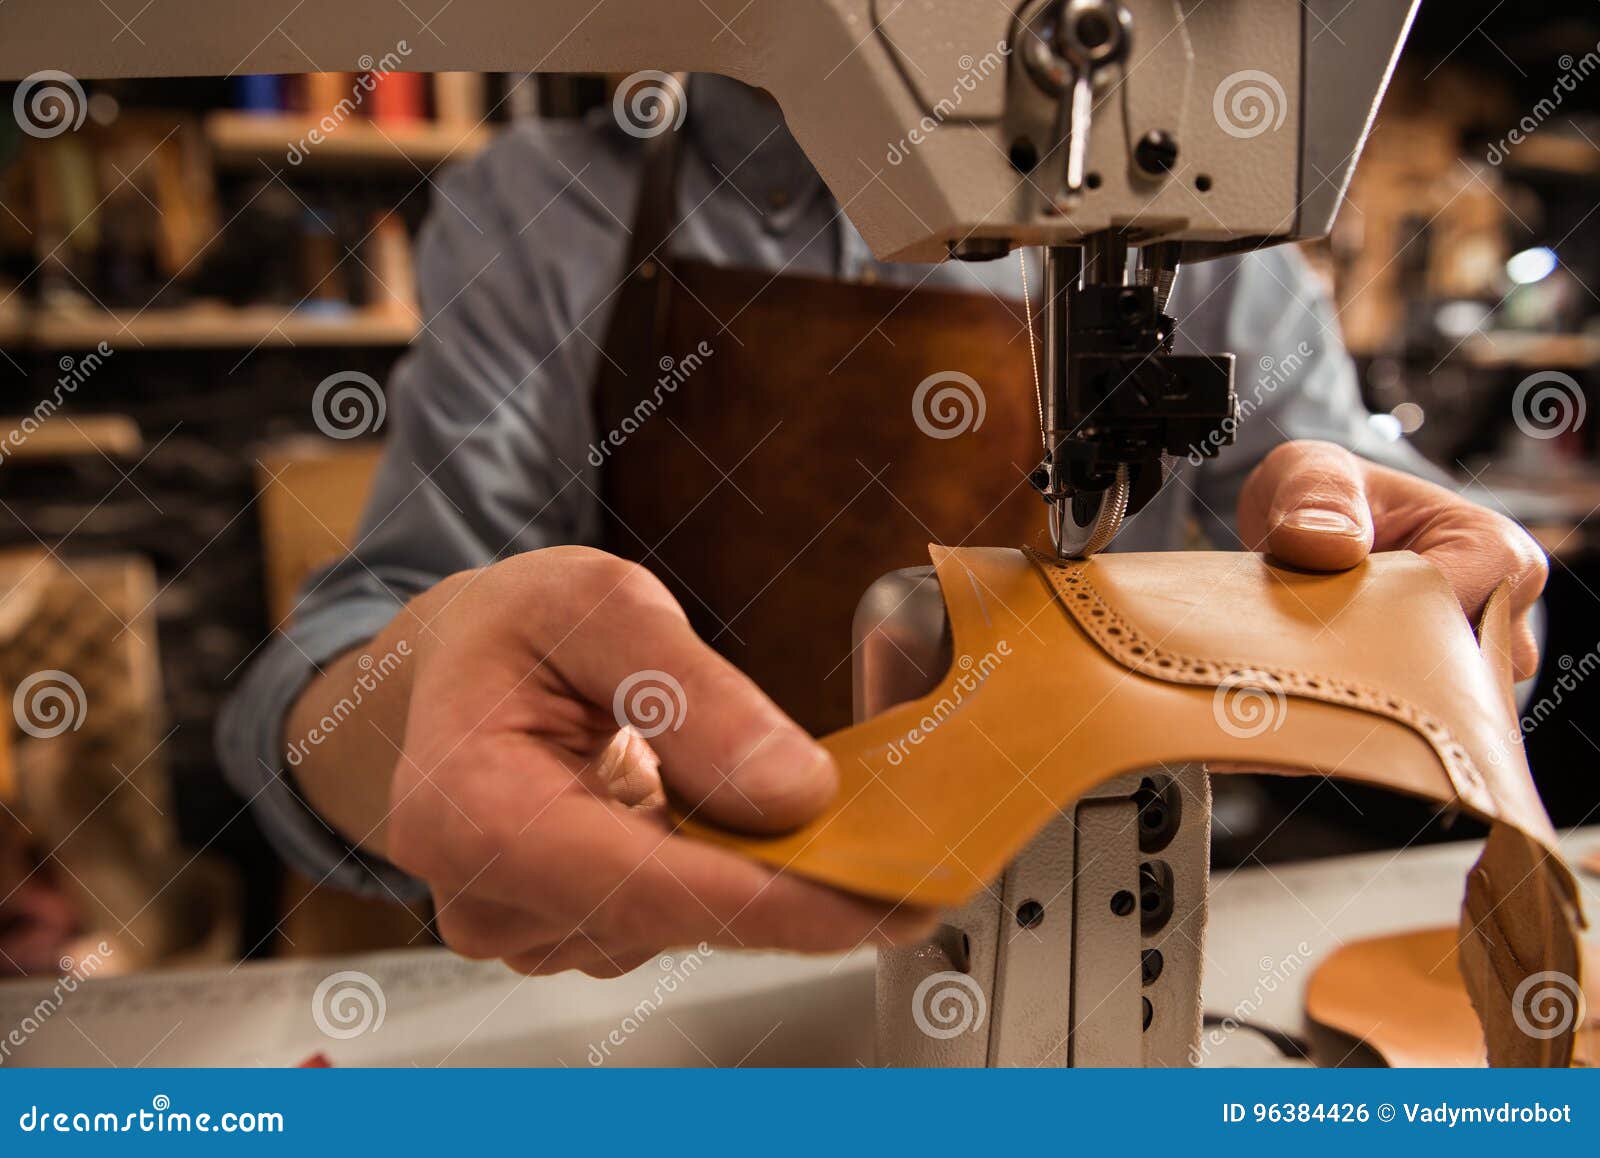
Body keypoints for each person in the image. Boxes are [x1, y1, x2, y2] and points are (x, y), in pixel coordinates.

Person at [218, 76, 1547, 978]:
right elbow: (344, 655)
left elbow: (1339, 495)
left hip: (1107, 930)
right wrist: (401, 729)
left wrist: (1419, 574)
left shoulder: (1198, 223)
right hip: (668, 963)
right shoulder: (546, 207)